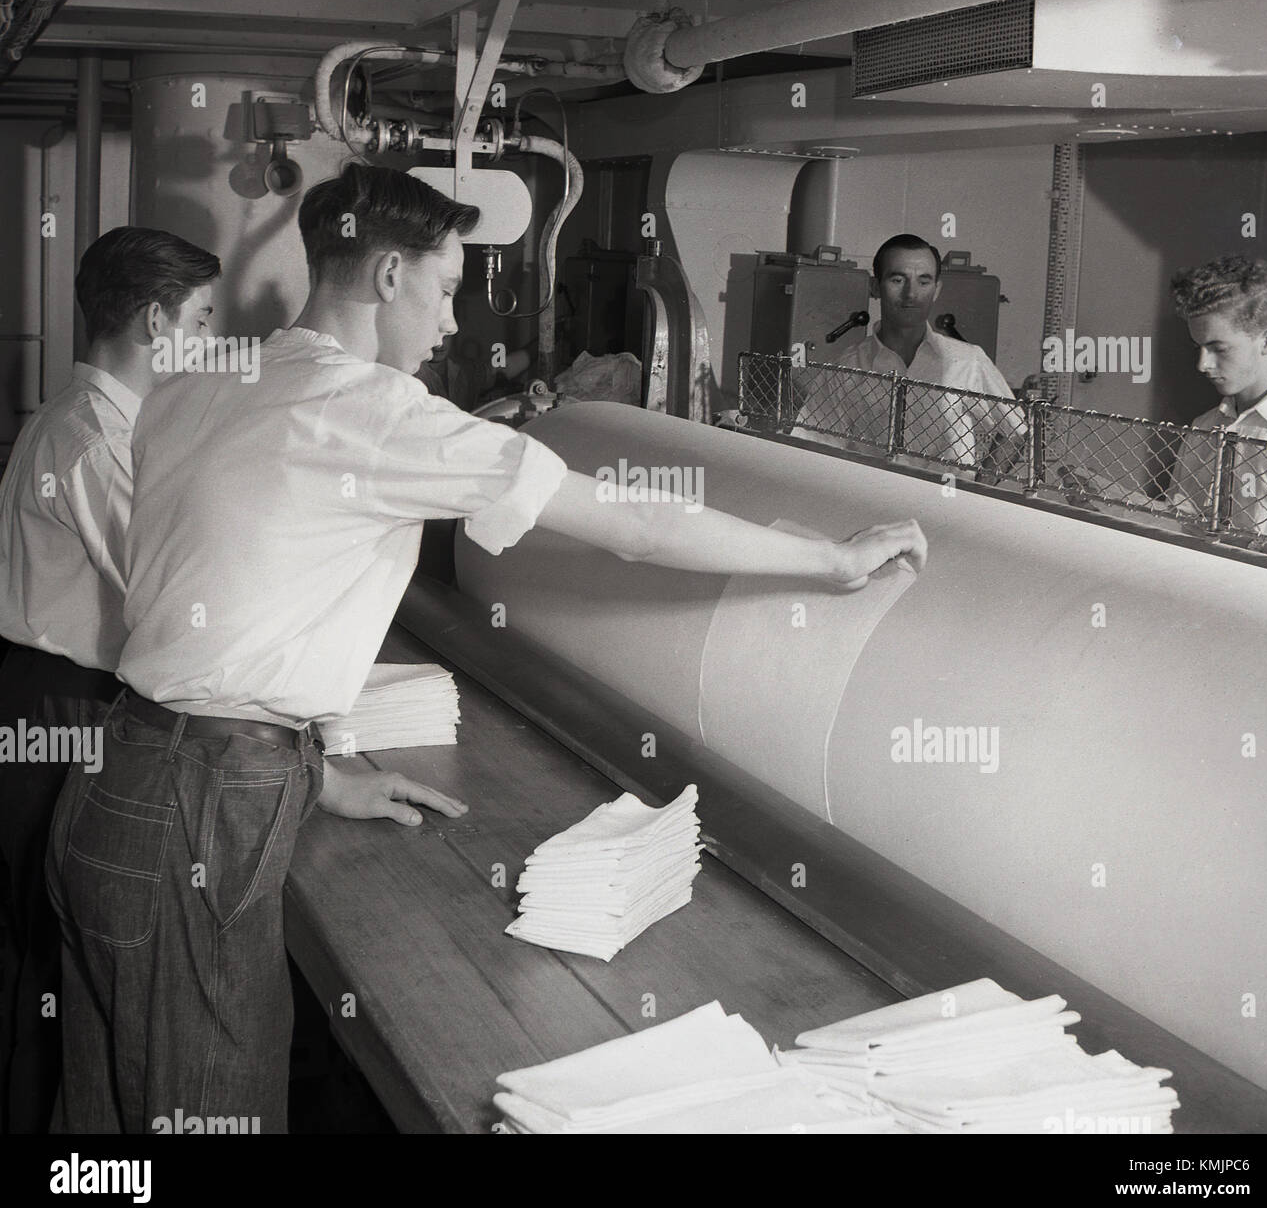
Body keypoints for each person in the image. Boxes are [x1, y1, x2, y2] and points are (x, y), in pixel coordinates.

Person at [45, 164, 926, 1134]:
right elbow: (631, 525)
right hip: (201, 815)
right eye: (446, 285)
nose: (451, 322)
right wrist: (827, 562)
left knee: (102, 1132)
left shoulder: (206, 383)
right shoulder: (373, 411)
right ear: (388, 276)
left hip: (119, 783)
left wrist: (308, 773)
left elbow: (202, 605)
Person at [0, 226, 218, 1132]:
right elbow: (163, 593)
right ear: (155, 321)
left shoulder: (94, 425)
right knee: (50, 958)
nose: (210, 342)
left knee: (45, 953)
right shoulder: (94, 441)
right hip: (63, 707)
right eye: (202, 321)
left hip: (55, 696)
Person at [795, 235, 1025, 474]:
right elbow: (813, 447)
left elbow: (1015, 431)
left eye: (923, 282)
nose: (910, 294)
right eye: (897, 279)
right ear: (875, 287)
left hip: (945, 505)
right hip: (877, 503)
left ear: (936, 290)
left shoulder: (967, 361)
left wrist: (977, 493)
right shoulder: (847, 367)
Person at [1168, 255, 1267, 541]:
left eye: (1219, 348)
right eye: (1199, 347)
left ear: (1266, 341)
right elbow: (1177, 526)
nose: (1202, 365)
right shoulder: (1202, 428)